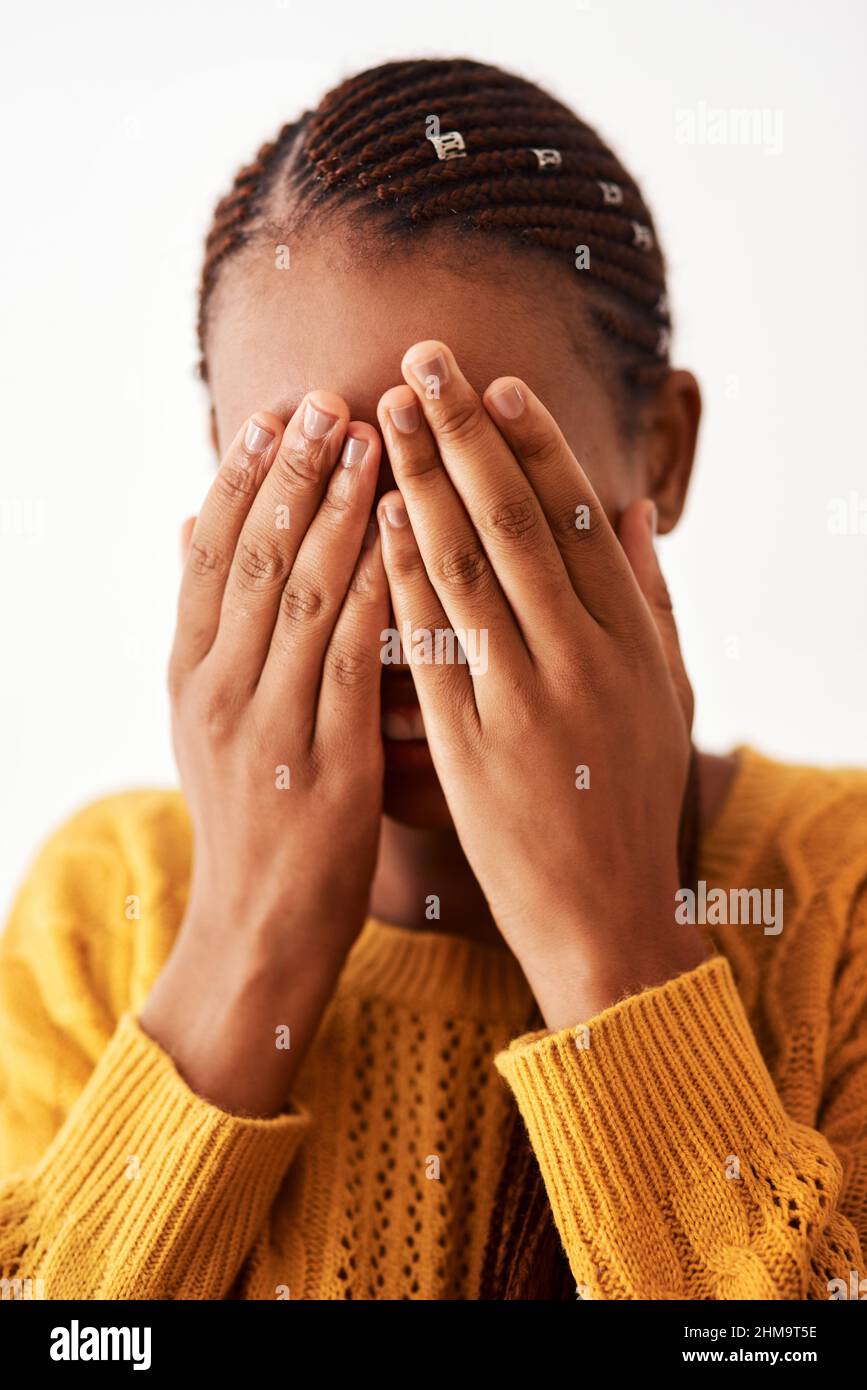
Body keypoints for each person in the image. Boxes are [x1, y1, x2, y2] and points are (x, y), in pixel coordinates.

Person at [1, 58, 865, 1301]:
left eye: (476, 487)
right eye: (315, 487)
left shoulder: (841, 900)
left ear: (663, 454)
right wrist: (243, 953)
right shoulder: (104, 912)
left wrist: (612, 952)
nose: (407, 605)